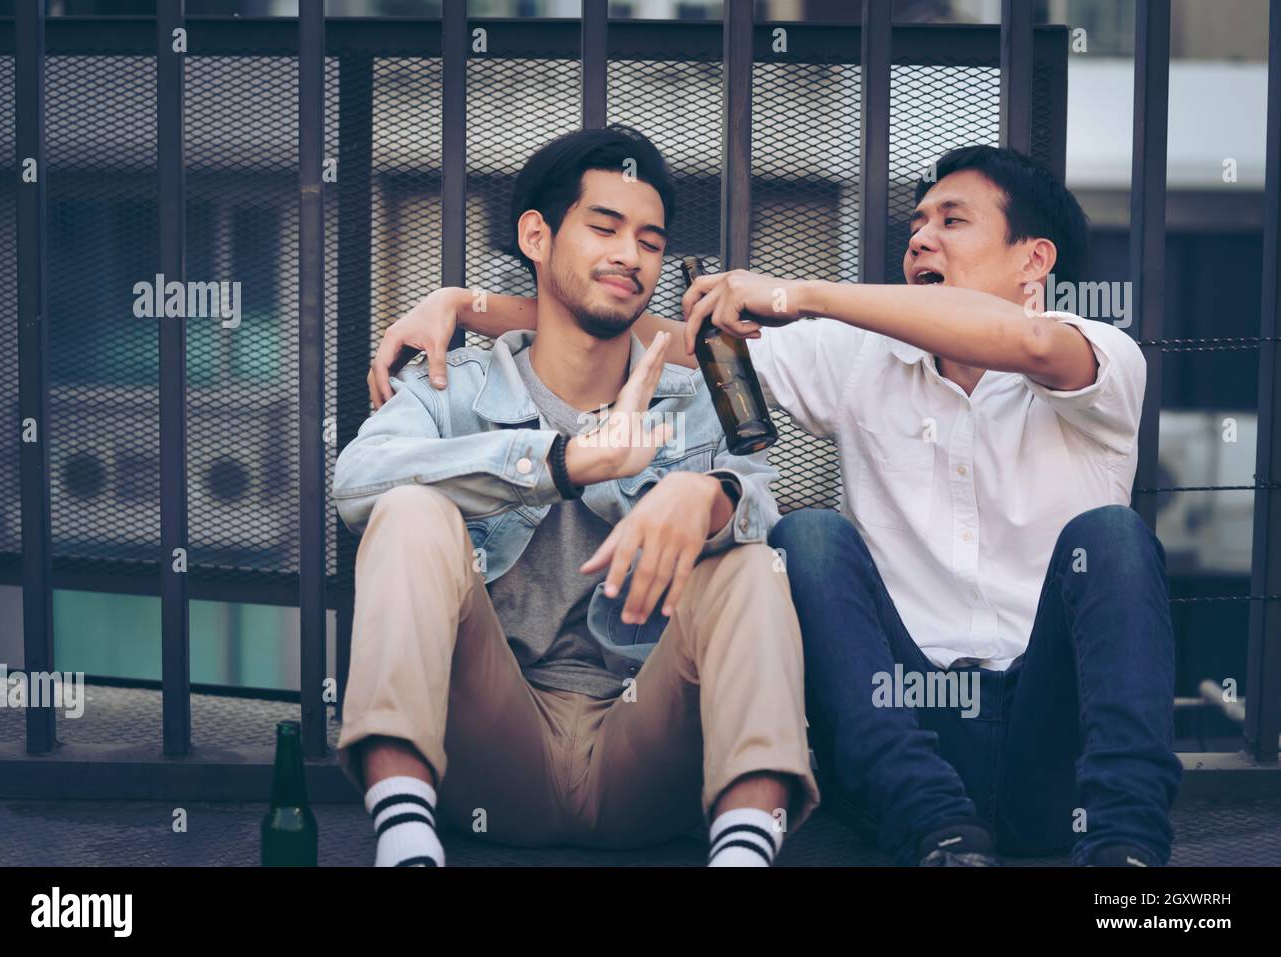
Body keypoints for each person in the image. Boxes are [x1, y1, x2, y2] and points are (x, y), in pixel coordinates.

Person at [374, 144, 1181, 868]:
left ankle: (1128, 857)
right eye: (917, 220)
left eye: (952, 219)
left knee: (1112, 537)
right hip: (910, 753)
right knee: (810, 537)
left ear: (1033, 258)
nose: (920, 236)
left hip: (1055, 748)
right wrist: (468, 306)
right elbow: (657, 335)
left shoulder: (1101, 356)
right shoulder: (861, 354)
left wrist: (798, 292)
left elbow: (1028, 343)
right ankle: (940, 841)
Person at [334, 124, 819, 868]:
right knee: (407, 506)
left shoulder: (694, 399)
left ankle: (745, 854)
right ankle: (404, 845)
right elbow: (357, 480)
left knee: (753, 564)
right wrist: (558, 460)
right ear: (536, 234)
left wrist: (707, 495)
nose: (630, 254)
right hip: (491, 751)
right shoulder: (452, 384)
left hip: (650, 757)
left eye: (651, 241)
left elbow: (763, 510)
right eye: (604, 227)